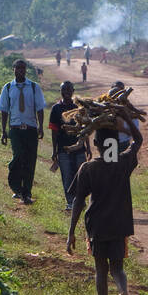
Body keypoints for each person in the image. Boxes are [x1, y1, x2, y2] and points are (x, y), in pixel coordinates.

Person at [66, 113, 142, 295]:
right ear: (115, 142)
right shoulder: (123, 162)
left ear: (96, 143)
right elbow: (139, 141)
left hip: (97, 226)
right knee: (117, 268)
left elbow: (78, 202)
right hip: (120, 223)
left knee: (101, 269)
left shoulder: (88, 168)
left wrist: (71, 232)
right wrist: (126, 124)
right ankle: (123, 291)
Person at [0, 59, 46, 204]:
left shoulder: (34, 87)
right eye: (18, 68)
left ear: (26, 70)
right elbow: (4, 110)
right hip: (15, 129)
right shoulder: (7, 88)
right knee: (18, 156)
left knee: (30, 160)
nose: (21, 71)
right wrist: (3, 131)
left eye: (23, 68)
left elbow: (40, 109)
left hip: (30, 129)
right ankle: (16, 187)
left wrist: (41, 127)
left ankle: (26, 192)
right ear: (14, 69)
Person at [49, 80, 85, 213]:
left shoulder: (80, 107)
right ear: (61, 92)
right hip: (63, 149)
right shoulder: (56, 109)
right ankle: (70, 202)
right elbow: (54, 131)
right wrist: (55, 151)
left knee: (80, 176)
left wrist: (87, 146)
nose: (67, 93)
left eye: (69, 90)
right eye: (64, 90)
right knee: (67, 176)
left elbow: (84, 128)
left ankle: (80, 201)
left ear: (73, 91)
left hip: (79, 149)